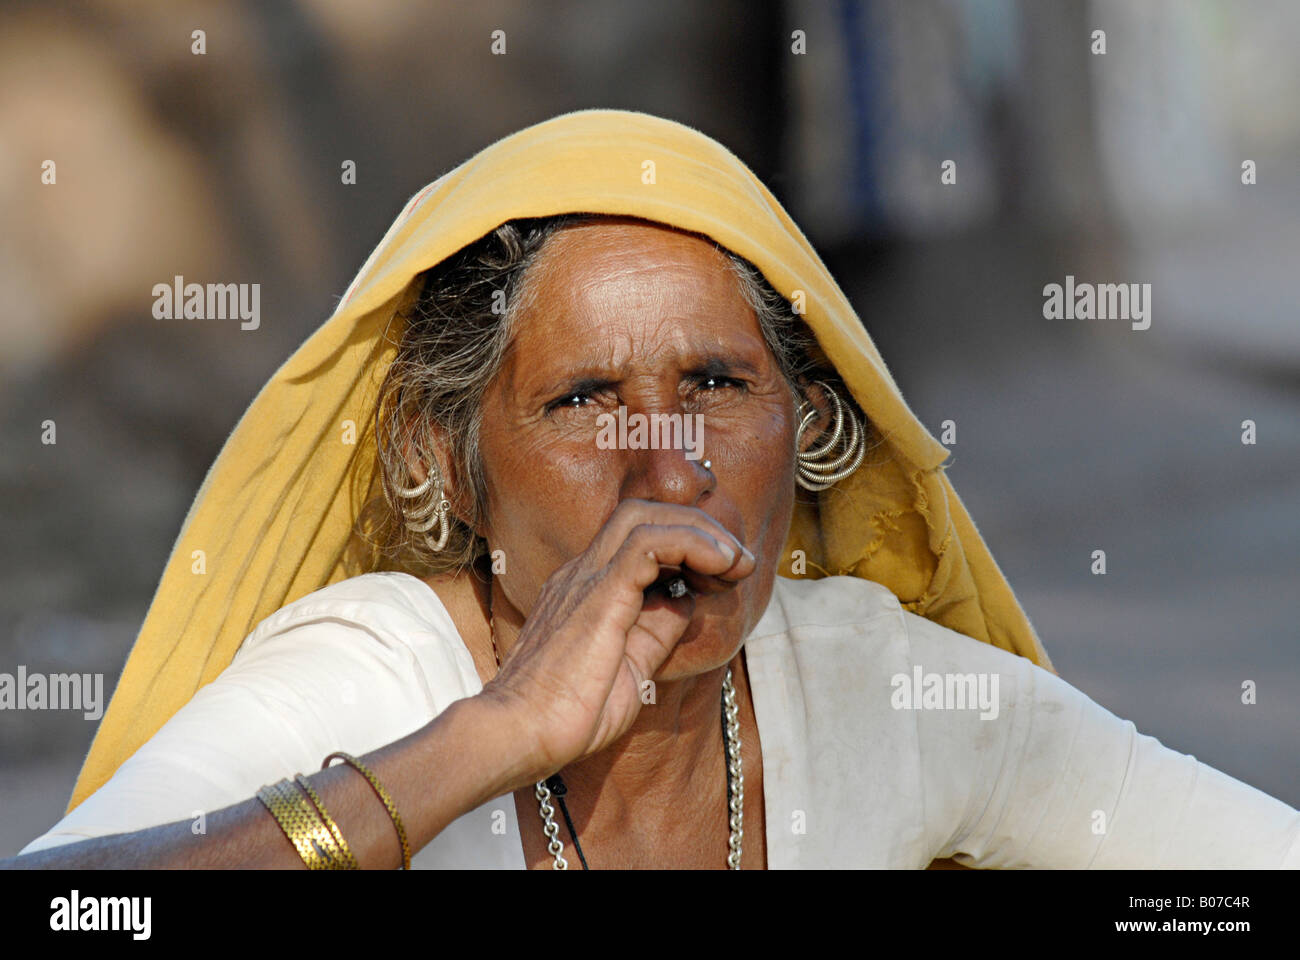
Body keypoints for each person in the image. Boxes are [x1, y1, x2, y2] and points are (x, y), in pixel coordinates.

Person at [7, 110, 1298, 869]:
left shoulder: (883, 696)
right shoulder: (375, 687)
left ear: (806, 431)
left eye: (720, 385)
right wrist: (488, 742)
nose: (673, 466)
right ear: (435, 461)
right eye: (585, 402)